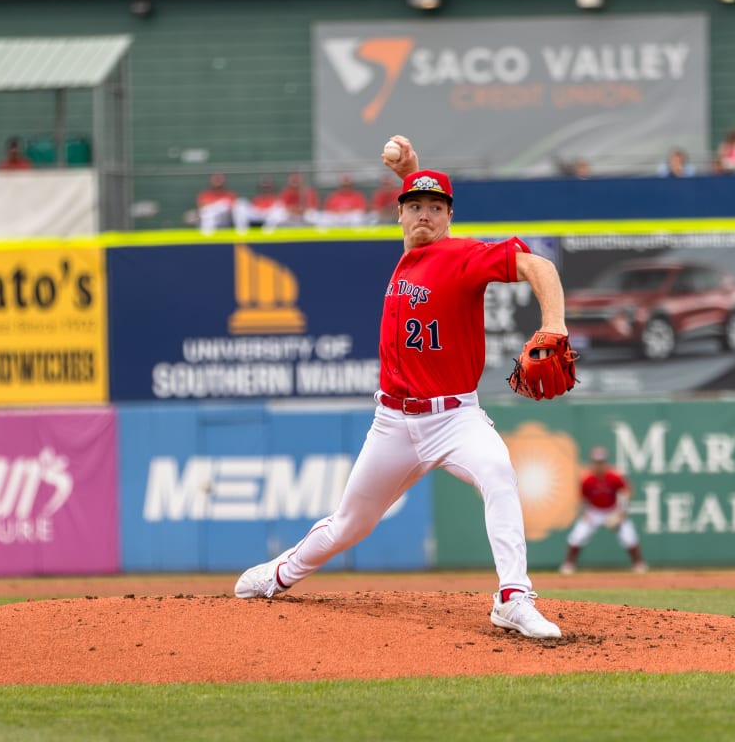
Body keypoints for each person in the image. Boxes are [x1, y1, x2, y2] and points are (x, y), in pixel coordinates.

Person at [234, 134, 571, 640]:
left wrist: (555, 325)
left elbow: (537, 265)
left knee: (499, 471)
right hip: (392, 422)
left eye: (436, 208)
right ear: (400, 215)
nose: (424, 216)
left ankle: (513, 597)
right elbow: (416, 215)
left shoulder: (463, 256)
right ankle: (279, 574)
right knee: (350, 524)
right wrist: (410, 171)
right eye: (415, 206)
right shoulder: (409, 255)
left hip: (455, 418)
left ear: (450, 217)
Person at [558, 446, 647, 575]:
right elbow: (581, 498)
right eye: (596, 462)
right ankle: (569, 564)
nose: (599, 465)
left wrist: (621, 512)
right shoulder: (587, 478)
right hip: (594, 511)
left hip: (612, 510)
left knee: (629, 536)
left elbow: (627, 491)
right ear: (592, 462)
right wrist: (585, 514)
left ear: (606, 462)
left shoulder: (614, 476)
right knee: (577, 535)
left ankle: (638, 564)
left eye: (601, 462)